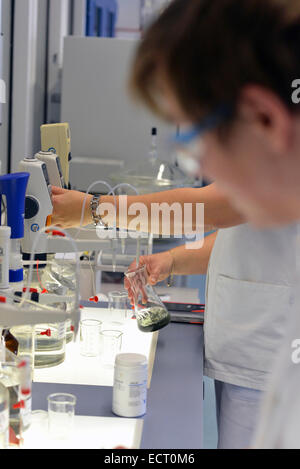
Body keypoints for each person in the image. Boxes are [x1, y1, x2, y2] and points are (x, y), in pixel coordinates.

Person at [52, 0, 300, 448]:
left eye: (194, 139)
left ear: (265, 117)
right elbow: (246, 229)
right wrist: (174, 258)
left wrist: (94, 209)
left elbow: (210, 208)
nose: (199, 162)